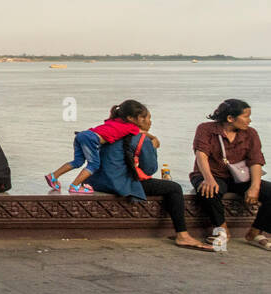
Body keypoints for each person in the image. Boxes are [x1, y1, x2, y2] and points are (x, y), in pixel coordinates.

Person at [82, 101, 211, 251]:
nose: (150, 122)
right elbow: (150, 169)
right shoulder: (141, 140)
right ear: (134, 119)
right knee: (174, 188)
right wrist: (153, 146)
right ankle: (182, 235)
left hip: (97, 181)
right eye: (147, 118)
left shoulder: (110, 130)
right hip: (117, 184)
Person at [190, 98, 270, 251]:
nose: (249, 120)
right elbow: (201, 155)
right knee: (208, 190)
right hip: (212, 173)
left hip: (238, 177)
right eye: (246, 116)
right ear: (230, 118)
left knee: (269, 192)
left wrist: (255, 186)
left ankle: (255, 232)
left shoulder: (250, 133)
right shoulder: (206, 129)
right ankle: (222, 230)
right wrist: (208, 179)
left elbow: (256, 160)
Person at [44, 101, 162, 194]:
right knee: (94, 164)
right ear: (131, 118)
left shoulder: (114, 121)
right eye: (142, 118)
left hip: (83, 135)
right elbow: (141, 133)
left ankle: (53, 176)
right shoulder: (130, 127)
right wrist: (153, 138)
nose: (146, 121)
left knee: (78, 161)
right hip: (91, 139)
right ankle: (74, 186)